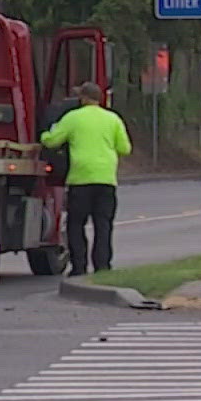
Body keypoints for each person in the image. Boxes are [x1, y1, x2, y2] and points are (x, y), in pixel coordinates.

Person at [40, 81, 131, 276]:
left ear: (82, 98)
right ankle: (102, 266)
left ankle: (79, 266)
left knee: (76, 224)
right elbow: (125, 148)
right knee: (103, 225)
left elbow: (52, 141)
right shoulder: (113, 119)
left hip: (80, 179)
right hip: (106, 179)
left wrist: (44, 134)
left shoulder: (73, 118)